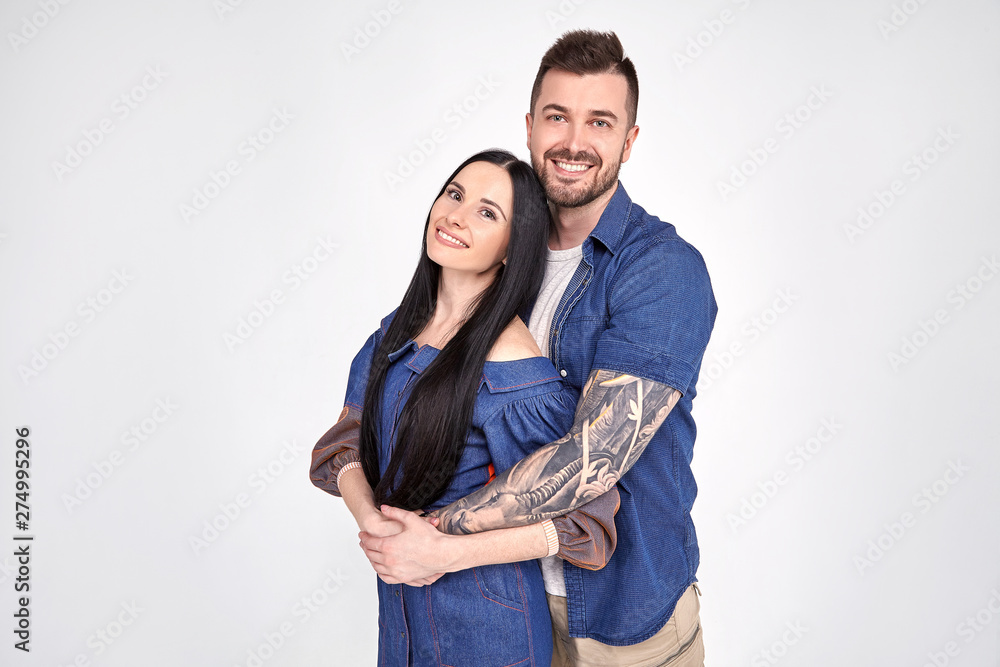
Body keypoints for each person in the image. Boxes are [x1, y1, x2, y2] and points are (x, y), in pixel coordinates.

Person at [362, 31, 718, 666]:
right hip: (493, 611)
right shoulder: (486, 258)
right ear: (529, 127)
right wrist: (391, 527)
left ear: (629, 140)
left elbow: (595, 460)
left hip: (625, 622)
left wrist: (432, 536)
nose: (574, 142)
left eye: (600, 122)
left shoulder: (662, 271)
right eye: (558, 117)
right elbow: (383, 393)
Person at [310, 149, 621, 666]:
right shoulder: (397, 330)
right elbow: (346, 444)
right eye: (454, 195)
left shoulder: (511, 363)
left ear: (511, 248)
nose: (455, 214)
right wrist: (376, 525)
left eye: (487, 212)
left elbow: (585, 518)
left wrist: (445, 552)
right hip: (402, 613)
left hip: (489, 627)